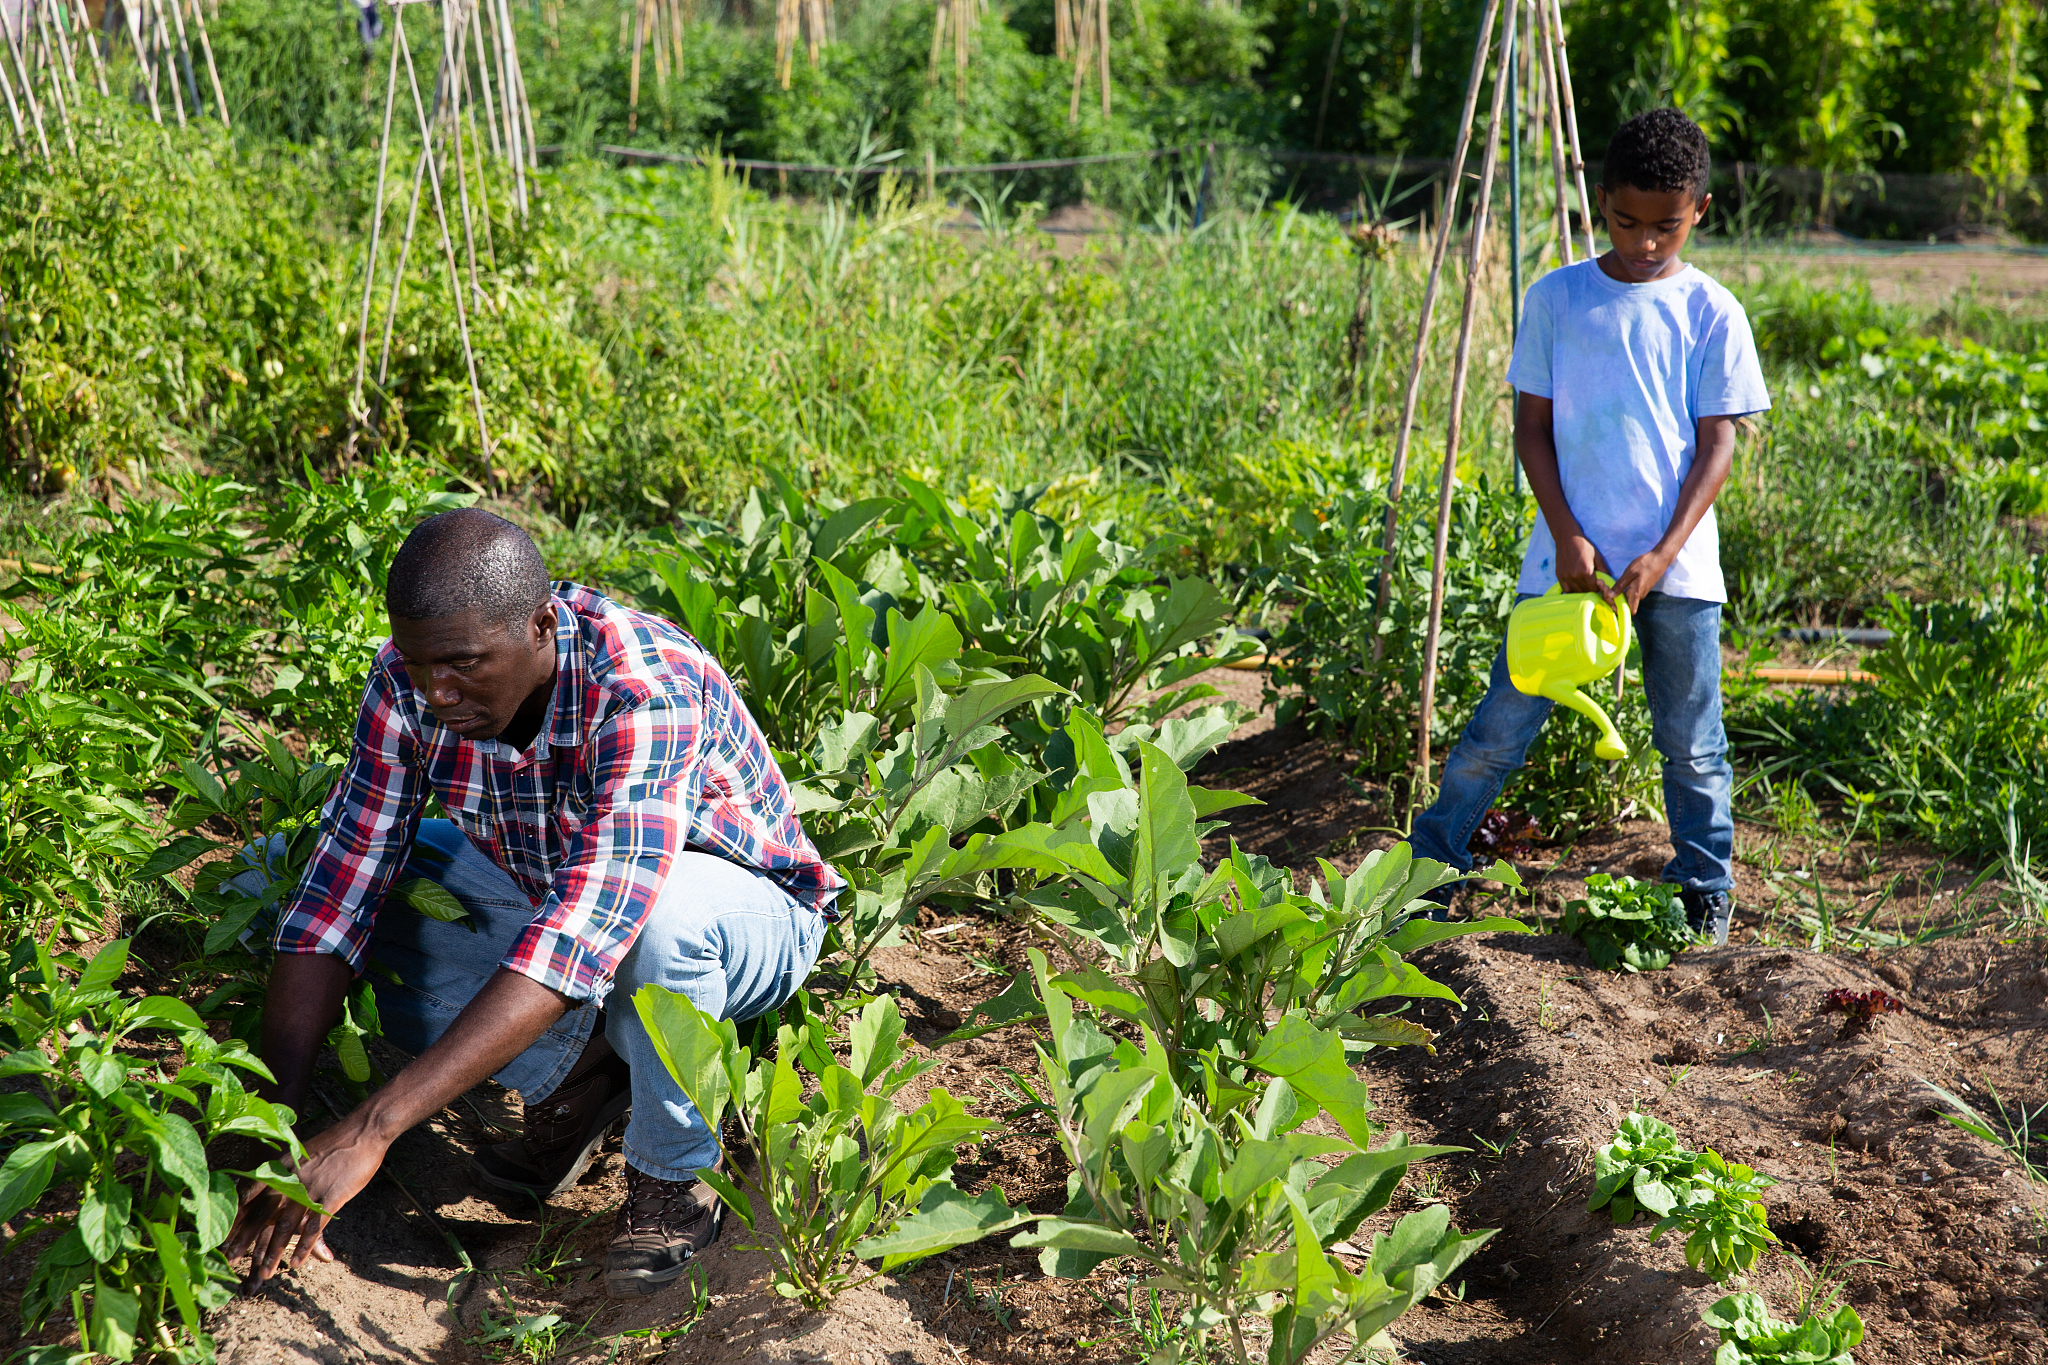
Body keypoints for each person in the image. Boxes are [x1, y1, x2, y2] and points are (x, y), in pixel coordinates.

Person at [222, 509, 843, 1299]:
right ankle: (582, 1072)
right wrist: (268, 1126)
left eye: (464, 665)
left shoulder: (640, 687)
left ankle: (672, 1171)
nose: (437, 691)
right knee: (288, 875)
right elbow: (339, 890)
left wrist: (371, 1128)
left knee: (662, 921)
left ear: (542, 625)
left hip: (741, 916)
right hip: (561, 896)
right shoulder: (409, 680)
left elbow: (586, 932)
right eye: (419, 665)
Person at [1407, 107, 1769, 943]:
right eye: (1626, 221)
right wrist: (1568, 534)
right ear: (1599, 203)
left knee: (1692, 744)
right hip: (1562, 570)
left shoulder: (1713, 312)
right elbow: (1530, 425)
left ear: (1701, 211)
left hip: (1675, 572)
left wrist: (1661, 553)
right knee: (1497, 732)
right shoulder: (1558, 298)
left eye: (1666, 226)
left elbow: (1719, 442)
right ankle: (1431, 868)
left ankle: (1703, 887)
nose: (1645, 241)